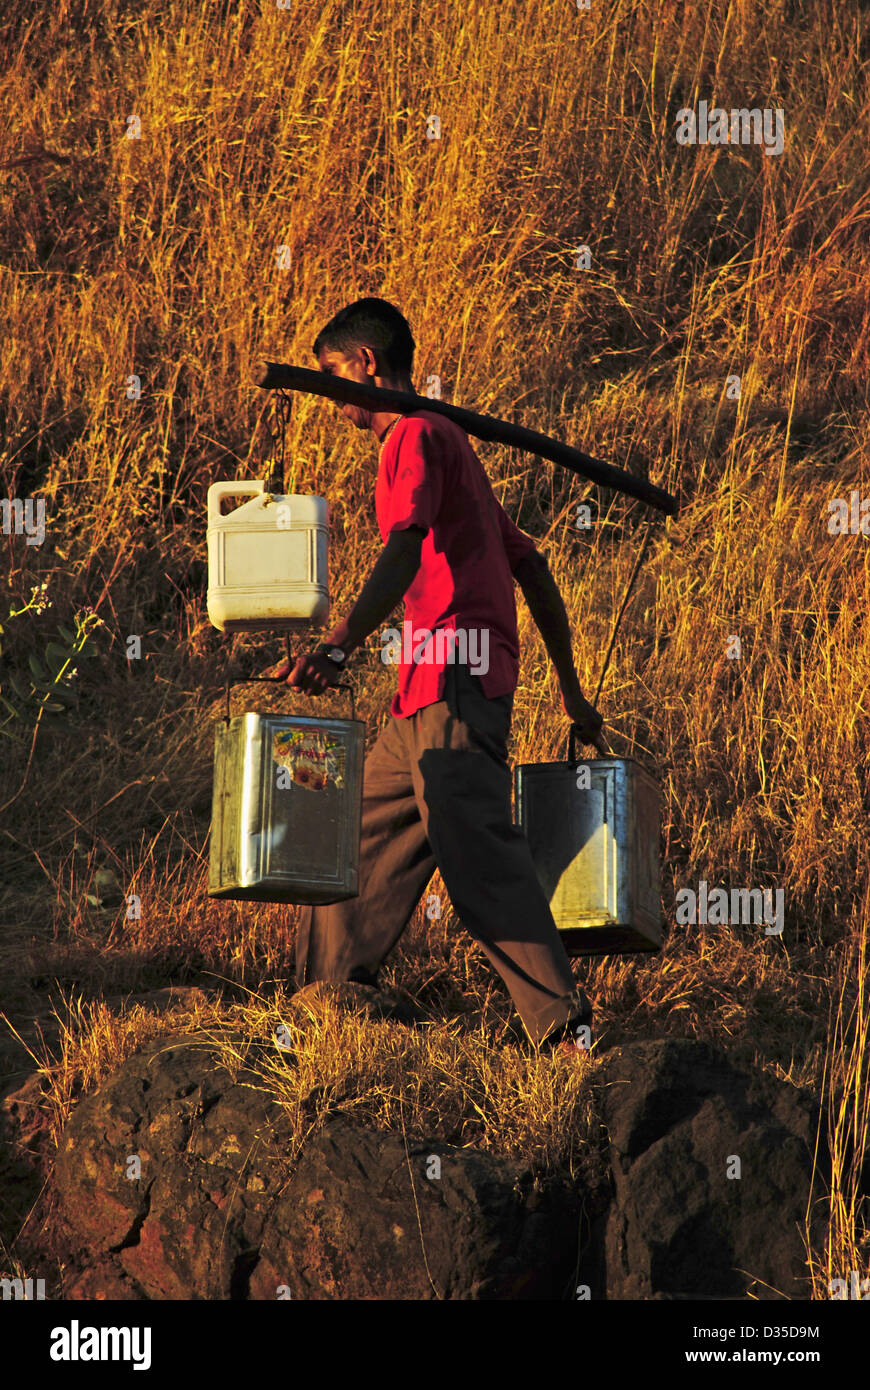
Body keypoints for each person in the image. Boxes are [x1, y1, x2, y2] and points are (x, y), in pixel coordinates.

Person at [271, 297, 603, 1054]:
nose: (329, 395)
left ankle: (566, 1032)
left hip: (456, 671)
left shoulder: (416, 437)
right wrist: (571, 689)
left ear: (364, 365)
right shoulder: (455, 445)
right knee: (357, 838)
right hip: (428, 687)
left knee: (475, 849)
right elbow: (534, 567)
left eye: (331, 375)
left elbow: (407, 546)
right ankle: (318, 1012)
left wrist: (341, 641)